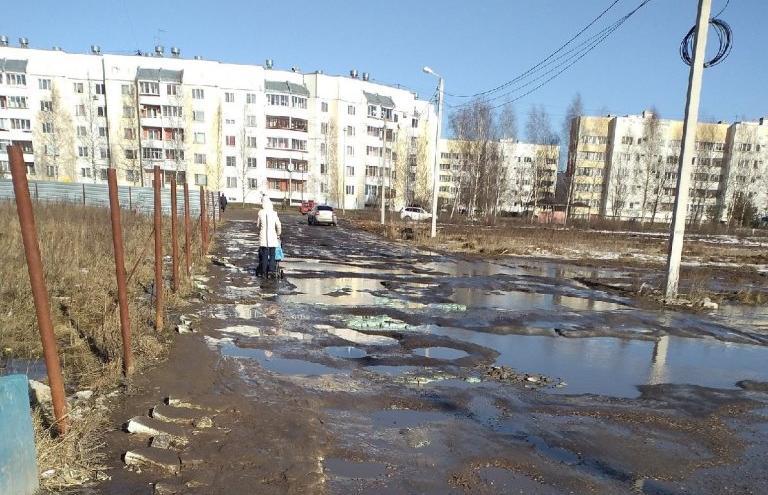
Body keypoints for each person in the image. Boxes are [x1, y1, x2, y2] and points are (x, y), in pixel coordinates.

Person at [256, 196, 281, 278]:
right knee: (273, 255)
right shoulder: (274, 213)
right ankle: (271, 271)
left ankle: (263, 273)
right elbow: (278, 225)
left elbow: (258, 225)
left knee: (264, 255)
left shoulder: (260, 213)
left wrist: (261, 229)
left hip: (263, 238)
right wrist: (278, 234)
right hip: (273, 238)